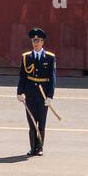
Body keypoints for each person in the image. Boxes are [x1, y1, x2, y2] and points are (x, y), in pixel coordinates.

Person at [17, 27, 56, 157]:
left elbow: (52, 78)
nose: (36, 43)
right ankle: (32, 147)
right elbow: (22, 76)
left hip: (43, 94)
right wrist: (20, 92)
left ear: (43, 42)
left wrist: (50, 96)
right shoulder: (25, 57)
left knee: (41, 122)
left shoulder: (50, 57)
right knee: (32, 122)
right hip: (30, 94)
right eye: (34, 40)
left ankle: (40, 147)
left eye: (38, 40)